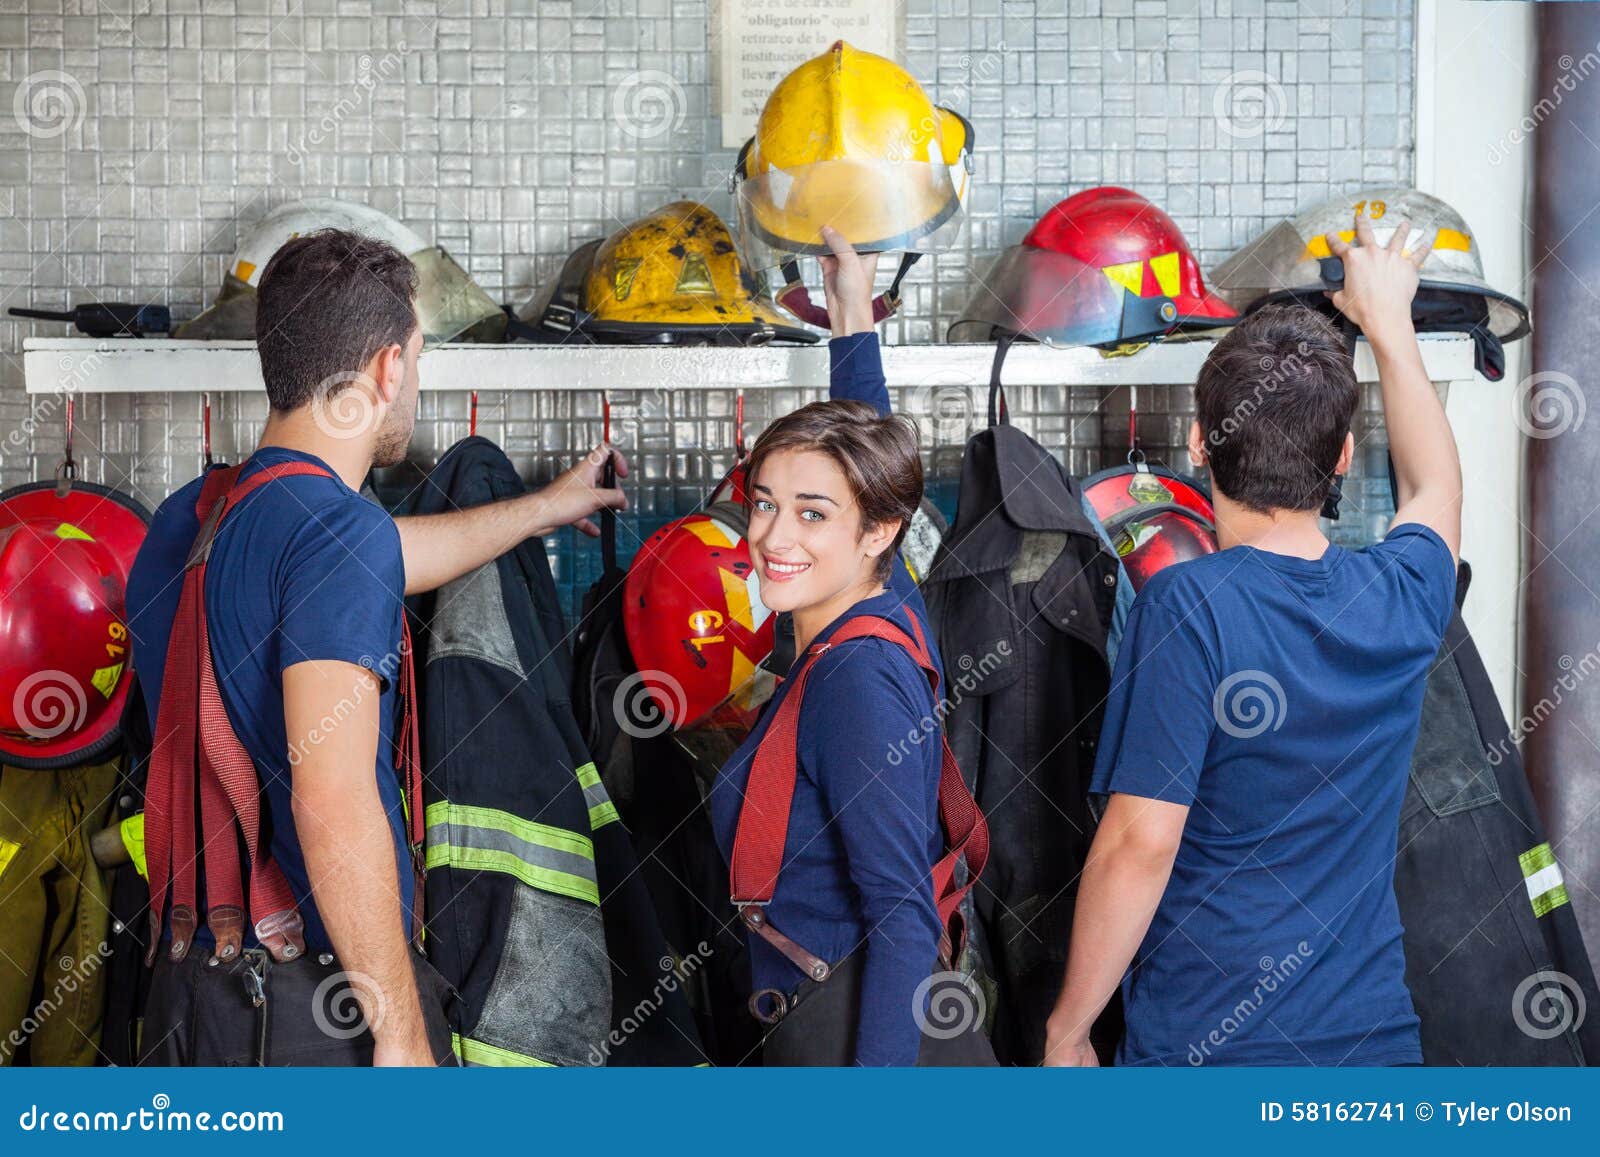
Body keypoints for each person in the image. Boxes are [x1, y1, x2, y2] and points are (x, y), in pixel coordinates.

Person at [126, 229, 627, 1066]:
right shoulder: (335, 537)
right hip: (307, 1017)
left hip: (186, 997)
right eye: (418, 362)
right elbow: (332, 795)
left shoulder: (197, 514)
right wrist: (399, 1034)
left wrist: (540, 507)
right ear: (388, 368)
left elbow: (389, 556)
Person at [1043, 210, 1461, 1067]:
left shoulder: (1187, 605)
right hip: (1373, 1052)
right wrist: (1387, 325)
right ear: (1343, 458)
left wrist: (1069, 1027)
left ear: (1199, 443)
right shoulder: (1403, 593)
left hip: (1209, 1055)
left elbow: (1139, 844)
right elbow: (1435, 487)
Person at [708, 229, 990, 1067]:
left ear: (876, 532)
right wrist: (851, 309)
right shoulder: (877, 599)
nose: (771, 535)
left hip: (860, 1046)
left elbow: (902, 917)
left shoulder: (856, 678)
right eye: (763, 502)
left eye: (810, 513)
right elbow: (868, 448)